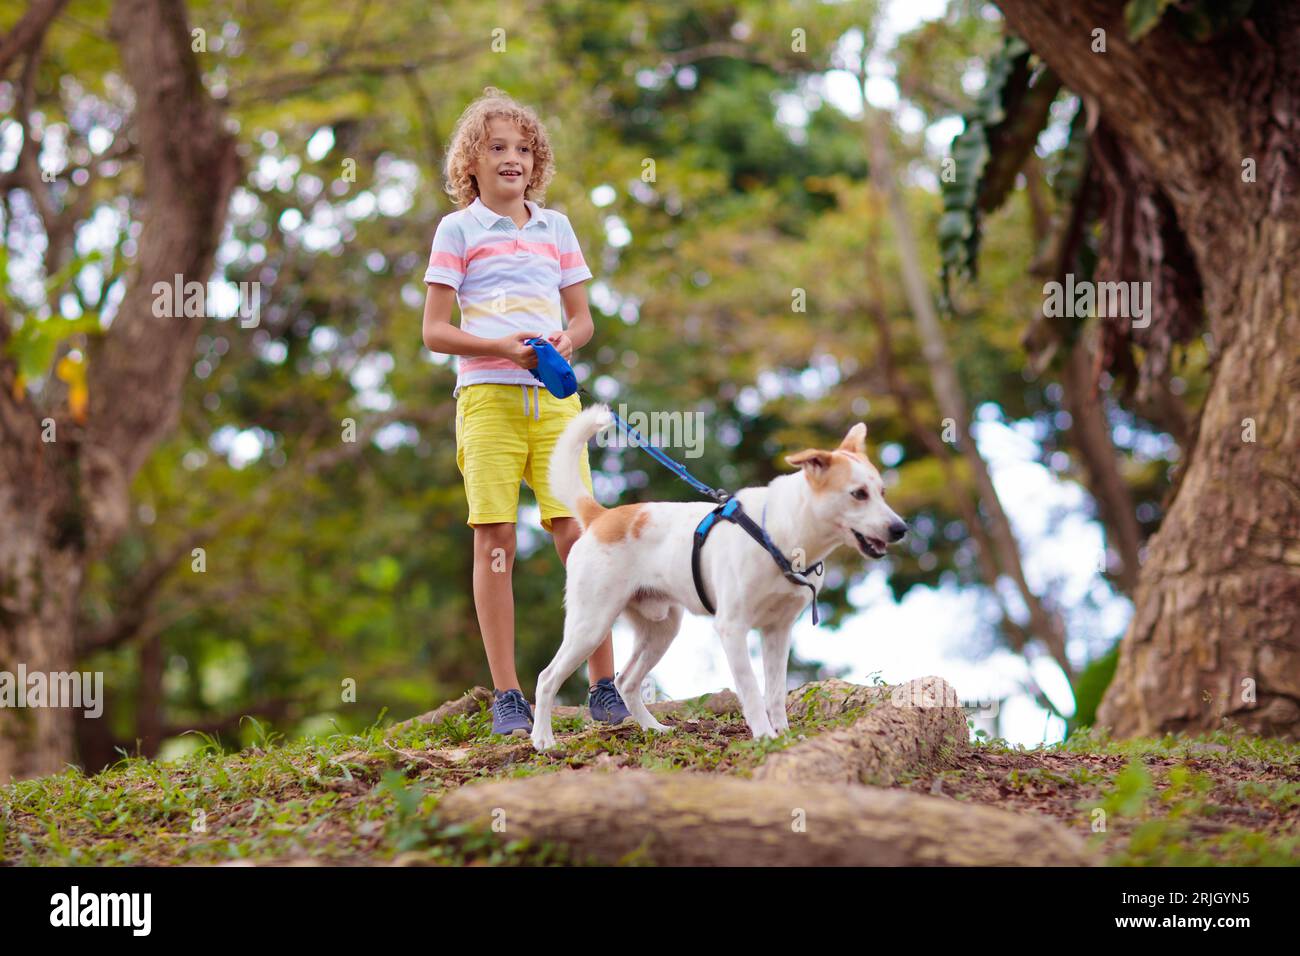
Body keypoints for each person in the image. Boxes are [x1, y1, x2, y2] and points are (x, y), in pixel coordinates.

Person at [420, 87, 631, 737]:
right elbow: (433, 330)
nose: (511, 157)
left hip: (554, 403)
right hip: (487, 401)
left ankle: (603, 685)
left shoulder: (556, 227)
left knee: (579, 535)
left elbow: (583, 317)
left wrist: (569, 337)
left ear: (535, 162)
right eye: (496, 147)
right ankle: (508, 695)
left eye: (522, 148)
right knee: (496, 539)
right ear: (472, 164)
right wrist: (499, 349)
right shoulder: (457, 230)